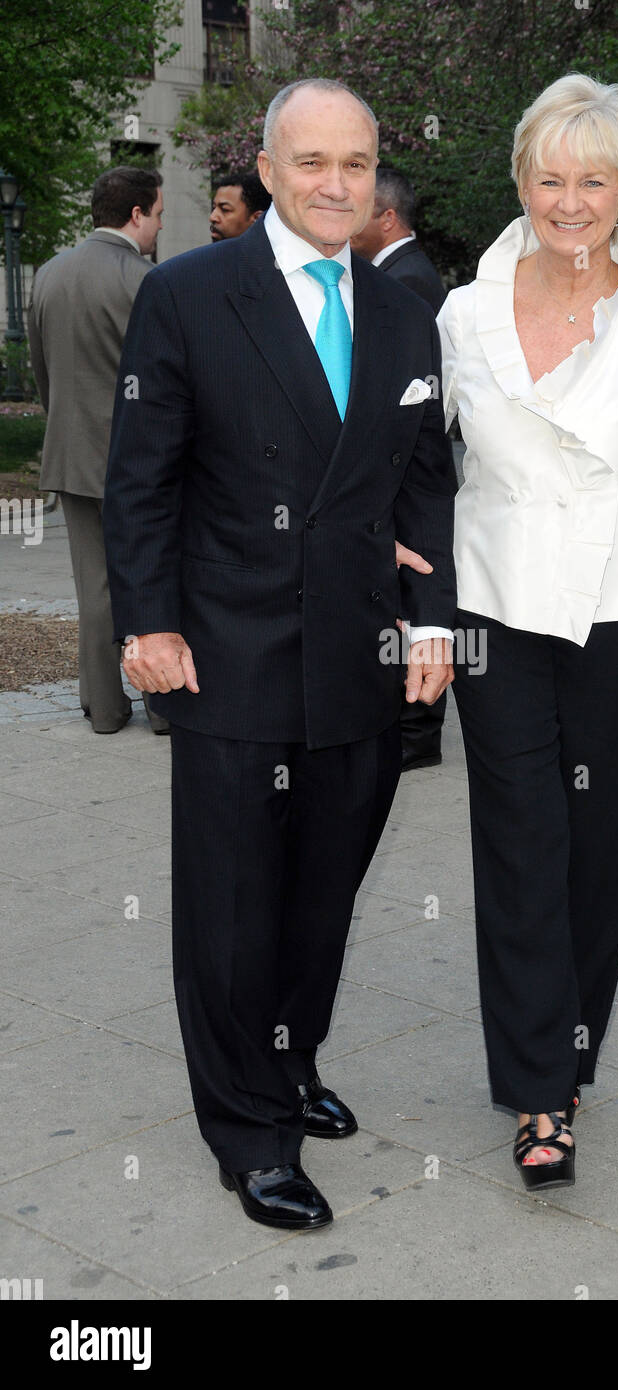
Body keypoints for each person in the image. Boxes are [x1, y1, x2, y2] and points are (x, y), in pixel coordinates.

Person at [103, 78, 456, 1231]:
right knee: (235, 910)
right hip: (228, 657)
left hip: (357, 659)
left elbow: (422, 479)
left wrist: (436, 619)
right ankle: (247, 1129)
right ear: (265, 167)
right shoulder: (190, 292)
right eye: (311, 162)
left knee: (321, 899)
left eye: (354, 163)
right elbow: (141, 479)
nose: (335, 184)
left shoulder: (410, 311)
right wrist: (145, 623)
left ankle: (291, 1060)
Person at [438, 73, 618, 1191]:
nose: (569, 202)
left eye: (592, 181)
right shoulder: (464, 310)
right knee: (520, 840)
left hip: (617, 610)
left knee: (596, 846)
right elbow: (425, 457)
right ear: (521, 180)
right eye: (550, 178)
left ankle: (569, 1050)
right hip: (496, 604)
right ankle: (538, 1096)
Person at [28, 167, 168, 735]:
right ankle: (164, 707)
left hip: (71, 452)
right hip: (144, 460)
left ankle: (106, 710)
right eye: (158, 214)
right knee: (155, 581)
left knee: (95, 587)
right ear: (136, 214)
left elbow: (42, 373)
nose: (159, 226)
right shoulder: (148, 280)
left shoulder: (48, 274)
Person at [352, 166, 448, 772]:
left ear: (387, 218)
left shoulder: (406, 281)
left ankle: (416, 730)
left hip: (403, 474)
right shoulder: (394, 274)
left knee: (413, 594)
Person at [209, 169, 271, 242]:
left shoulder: (279, 252)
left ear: (257, 218)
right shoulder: (203, 253)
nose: (212, 218)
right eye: (214, 208)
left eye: (225, 209)